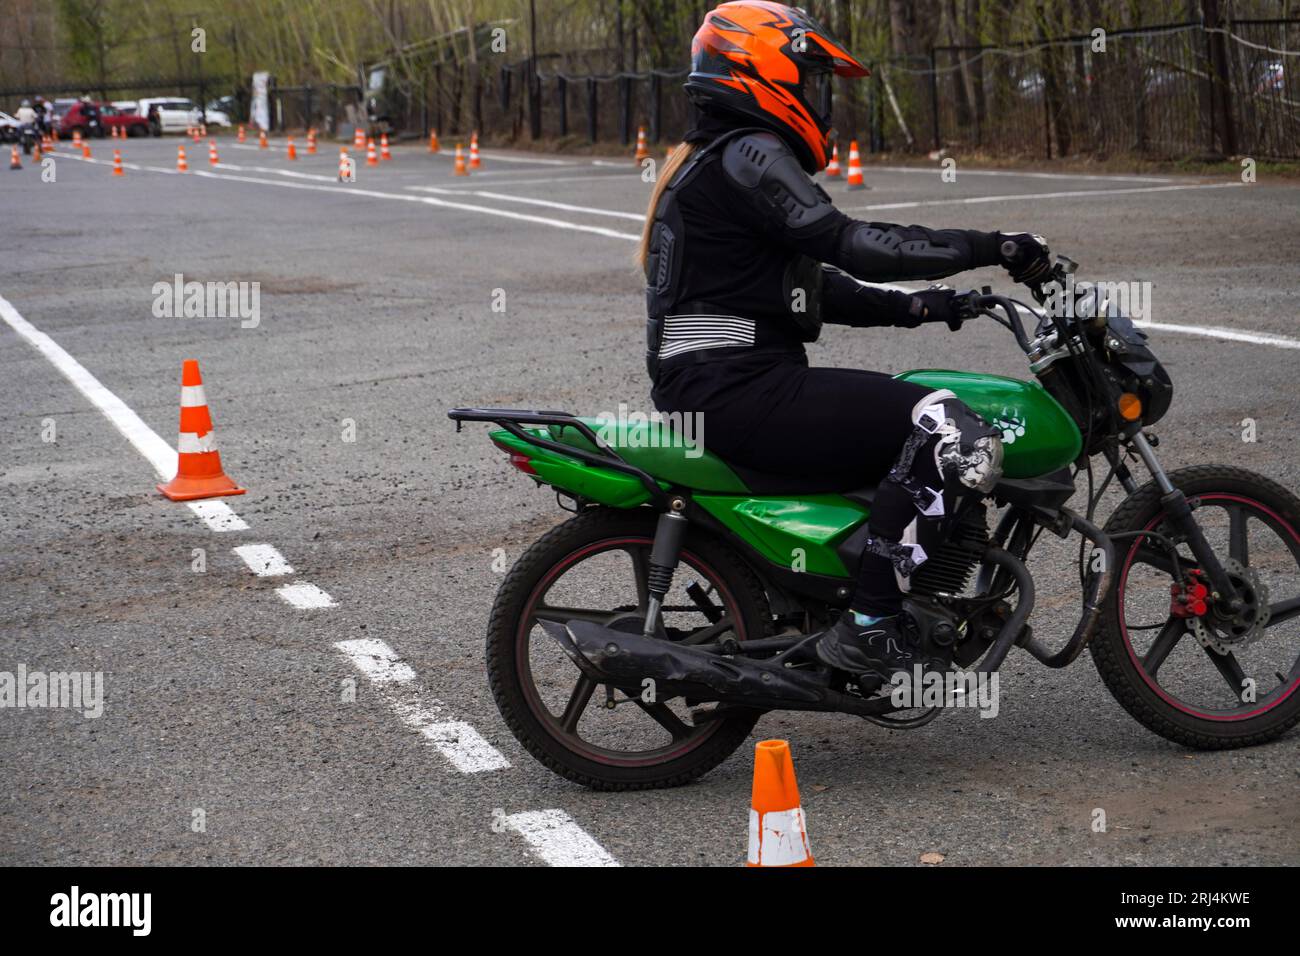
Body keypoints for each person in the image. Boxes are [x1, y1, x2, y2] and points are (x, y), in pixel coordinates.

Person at [640, 1, 1052, 688]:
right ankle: (868, 626)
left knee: (910, 423)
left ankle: (856, 593)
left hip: (717, 384)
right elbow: (848, 242)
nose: (818, 98)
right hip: (738, 387)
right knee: (953, 430)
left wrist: (930, 307)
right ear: (760, 70)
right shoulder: (748, 152)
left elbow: (812, 287)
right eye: (810, 79)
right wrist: (992, 246)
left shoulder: (712, 161)